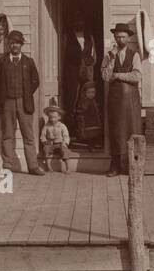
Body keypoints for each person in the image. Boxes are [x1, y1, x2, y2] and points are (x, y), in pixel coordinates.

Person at [0, 29, 46, 176]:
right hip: (7, 102)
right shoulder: (1, 61)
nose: (15, 45)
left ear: (21, 44)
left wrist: (26, 94)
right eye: (12, 42)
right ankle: (8, 165)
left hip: (24, 103)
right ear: (9, 44)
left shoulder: (28, 62)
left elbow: (36, 81)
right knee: (8, 134)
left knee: (28, 136)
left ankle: (33, 166)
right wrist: (3, 95)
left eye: (17, 43)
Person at [101, 21, 143, 177]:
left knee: (132, 130)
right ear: (114, 37)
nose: (120, 40)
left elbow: (137, 76)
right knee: (116, 131)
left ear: (128, 38)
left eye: (123, 37)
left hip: (131, 99)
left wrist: (118, 75)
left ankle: (132, 166)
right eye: (117, 37)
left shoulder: (135, 55)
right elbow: (105, 76)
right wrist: (111, 60)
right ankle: (115, 166)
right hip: (115, 99)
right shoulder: (108, 55)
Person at [60, 13, 96, 146]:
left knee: (86, 101)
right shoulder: (66, 37)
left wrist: (88, 69)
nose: (79, 23)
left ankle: (86, 135)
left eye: (81, 21)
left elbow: (94, 56)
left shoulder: (89, 37)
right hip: (72, 72)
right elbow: (62, 56)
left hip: (86, 72)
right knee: (72, 101)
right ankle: (71, 134)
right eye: (76, 21)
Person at [40, 97, 78, 173]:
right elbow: (43, 136)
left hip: (60, 143)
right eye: (51, 117)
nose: (52, 119)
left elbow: (66, 136)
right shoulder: (46, 126)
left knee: (65, 151)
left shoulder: (62, 126)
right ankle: (49, 167)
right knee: (46, 149)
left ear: (59, 117)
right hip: (50, 144)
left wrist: (65, 143)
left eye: (54, 117)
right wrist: (45, 142)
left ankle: (68, 168)